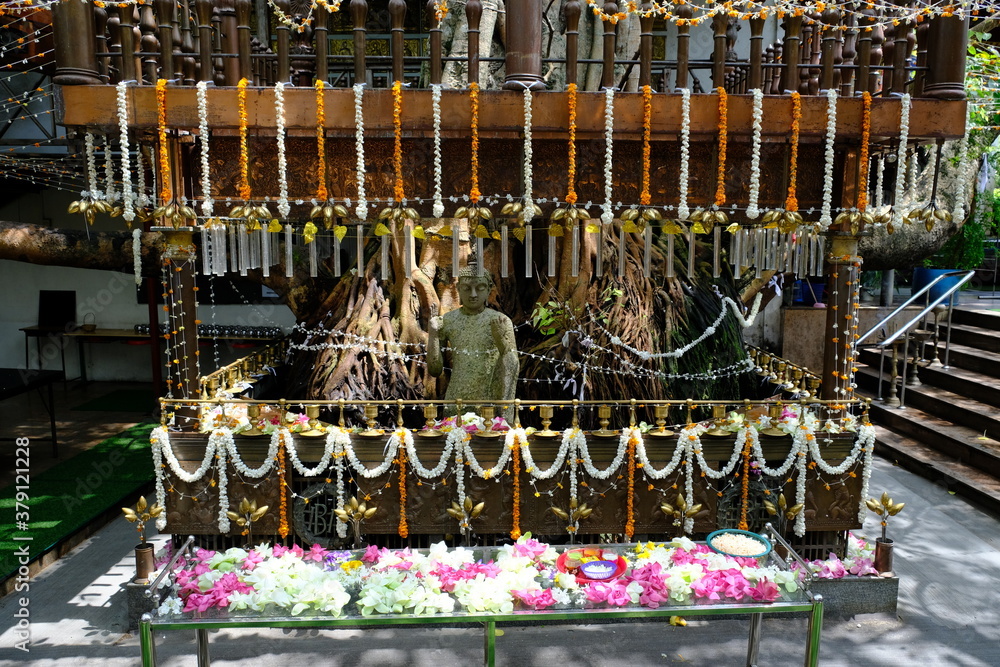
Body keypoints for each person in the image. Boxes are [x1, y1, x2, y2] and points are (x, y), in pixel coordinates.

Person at [427, 264, 518, 408]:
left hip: (489, 402)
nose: (473, 294)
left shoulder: (500, 321)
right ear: (458, 289)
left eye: (480, 288)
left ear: (488, 289)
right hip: (456, 399)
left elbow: (513, 364)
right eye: (467, 288)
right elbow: (435, 370)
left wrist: (501, 341)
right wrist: (433, 334)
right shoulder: (449, 320)